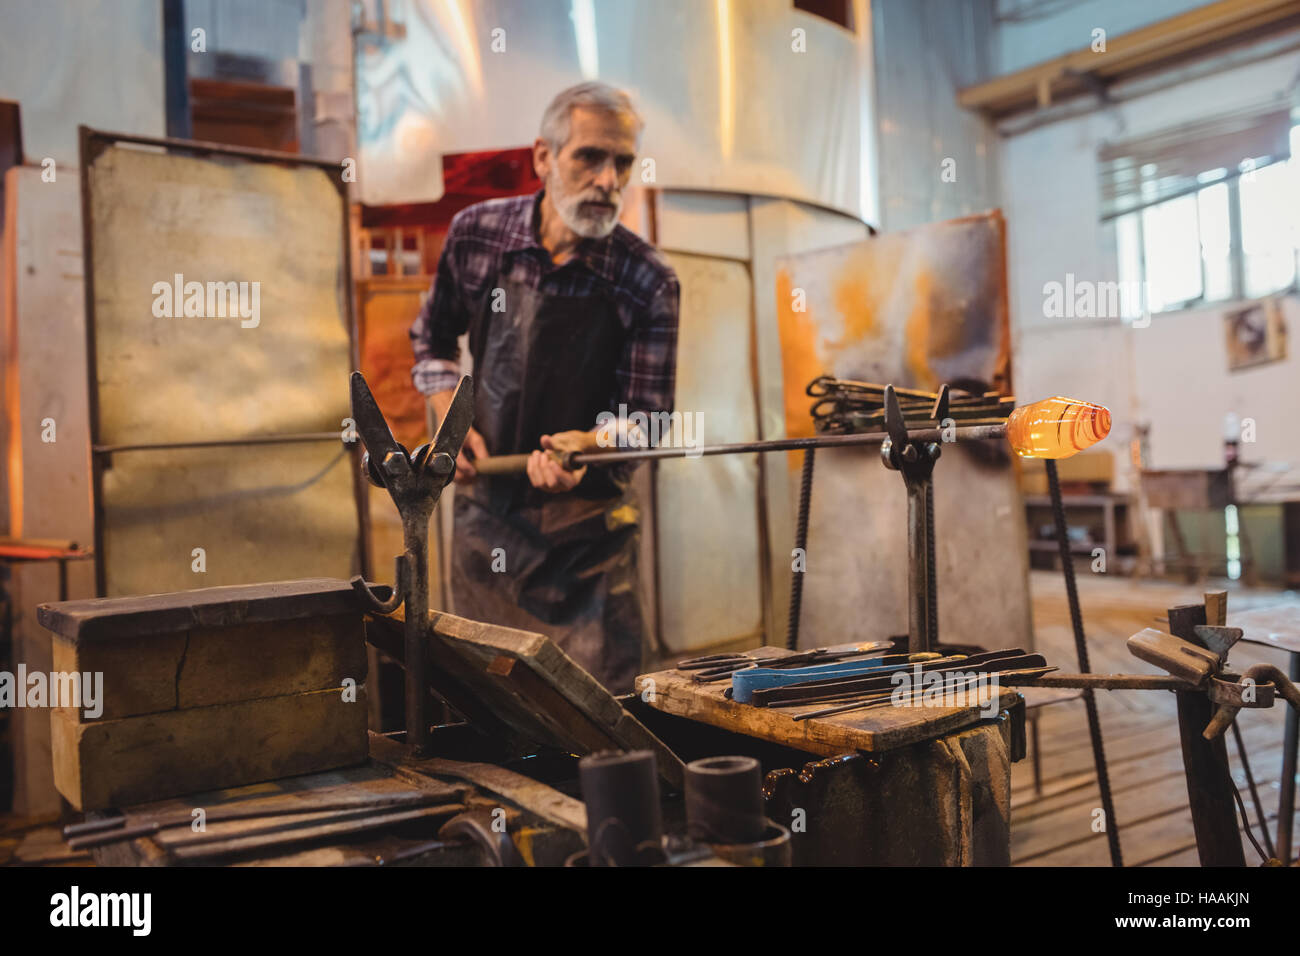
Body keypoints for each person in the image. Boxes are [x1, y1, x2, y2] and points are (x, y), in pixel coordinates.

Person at [410, 81, 680, 692]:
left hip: (590, 545)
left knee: (598, 725)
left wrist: (589, 443)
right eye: (590, 156)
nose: (608, 179)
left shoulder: (647, 279)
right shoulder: (477, 237)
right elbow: (430, 342)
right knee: (485, 709)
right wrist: (454, 417)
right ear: (542, 157)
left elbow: (648, 421)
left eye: (623, 163)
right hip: (488, 531)